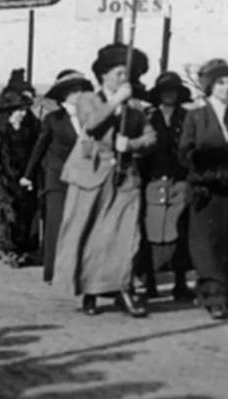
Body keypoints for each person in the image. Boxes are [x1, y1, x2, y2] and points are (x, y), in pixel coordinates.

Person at [54, 43, 156, 318]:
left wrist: (131, 144)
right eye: (119, 73)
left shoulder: (134, 106)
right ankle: (89, 291)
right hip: (91, 175)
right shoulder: (88, 99)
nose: (125, 79)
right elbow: (90, 124)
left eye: (127, 74)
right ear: (104, 75)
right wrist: (114, 102)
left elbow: (151, 137)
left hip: (124, 178)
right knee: (90, 235)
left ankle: (123, 289)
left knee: (125, 236)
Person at [179, 58, 228, 320]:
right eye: (220, 82)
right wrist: (207, 165)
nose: (226, 87)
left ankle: (225, 294)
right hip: (206, 190)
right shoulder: (195, 115)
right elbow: (185, 152)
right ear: (210, 85)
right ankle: (214, 296)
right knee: (206, 245)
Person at [25, 69, 94, 284]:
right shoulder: (53, 119)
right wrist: (28, 175)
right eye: (74, 91)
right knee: (57, 224)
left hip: (82, 179)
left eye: (81, 90)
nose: (79, 94)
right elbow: (39, 148)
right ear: (65, 95)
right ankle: (53, 272)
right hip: (57, 180)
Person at [139, 70, 195, 300]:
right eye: (164, 91)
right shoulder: (148, 118)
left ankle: (180, 284)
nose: (169, 95)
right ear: (158, 94)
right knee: (149, 234)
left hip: (179, 181)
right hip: (152, 181)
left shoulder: (188, 118)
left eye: (173, 90)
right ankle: (150, 283)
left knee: (180, 233)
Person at [0, 90, 40, 267]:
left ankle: (20, 250)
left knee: (23, 215)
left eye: (25, 110)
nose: (23, 114)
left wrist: (29, 175)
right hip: (5, 179)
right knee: (7, 216)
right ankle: (7, 250)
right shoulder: (0, 130)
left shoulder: (28, 130)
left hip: (23, 179)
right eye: (20, 110)